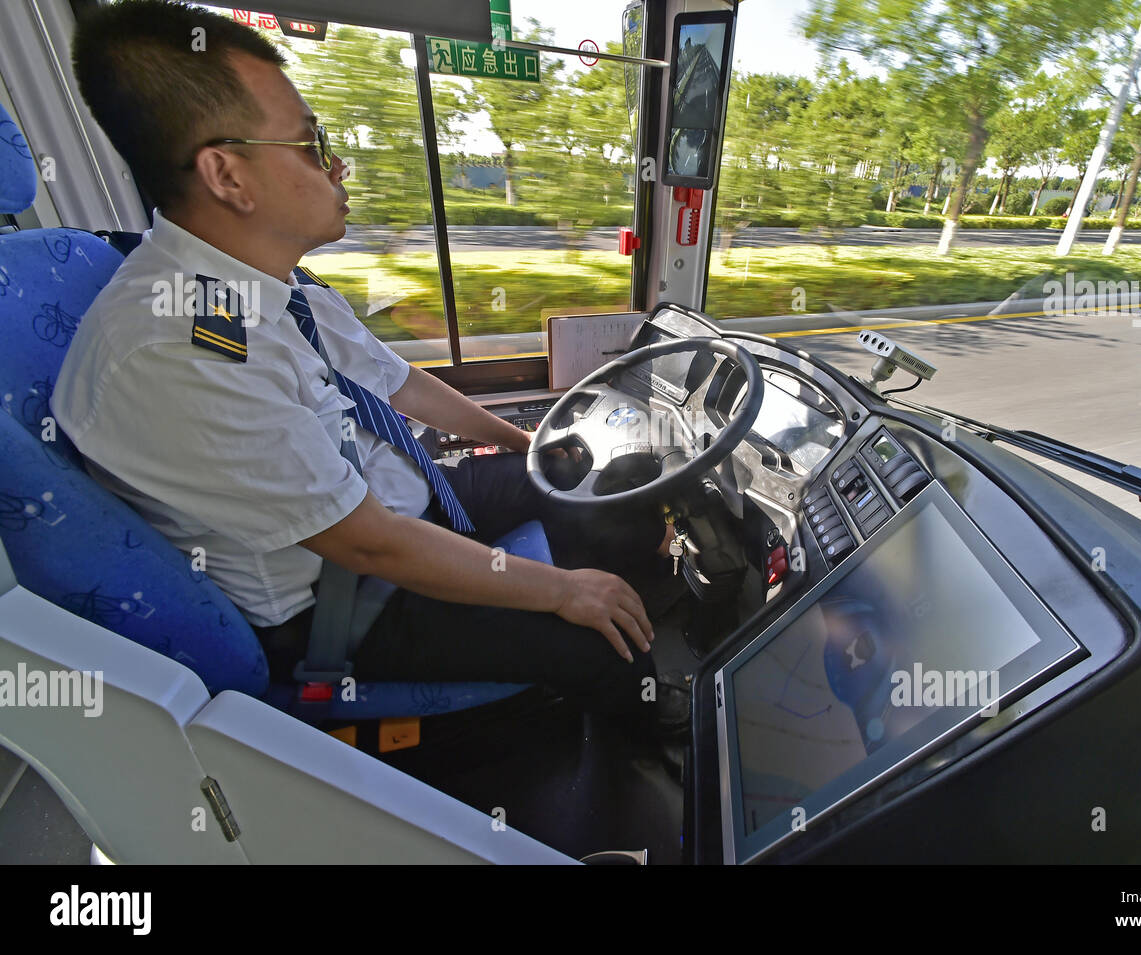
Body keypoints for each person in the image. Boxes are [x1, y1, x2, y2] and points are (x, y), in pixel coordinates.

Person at [52, 0, 678, 727]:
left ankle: (634, 593)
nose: (338, 164)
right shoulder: (178, 347)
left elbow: (401, 382)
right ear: (228, 176)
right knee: (600, 643)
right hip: (350, 596)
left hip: (405, 497)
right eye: (312, 144)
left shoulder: (272, 285)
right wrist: (564, 592)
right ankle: (636, 736)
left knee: (588, 481)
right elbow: (365, 541)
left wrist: (529, 444)